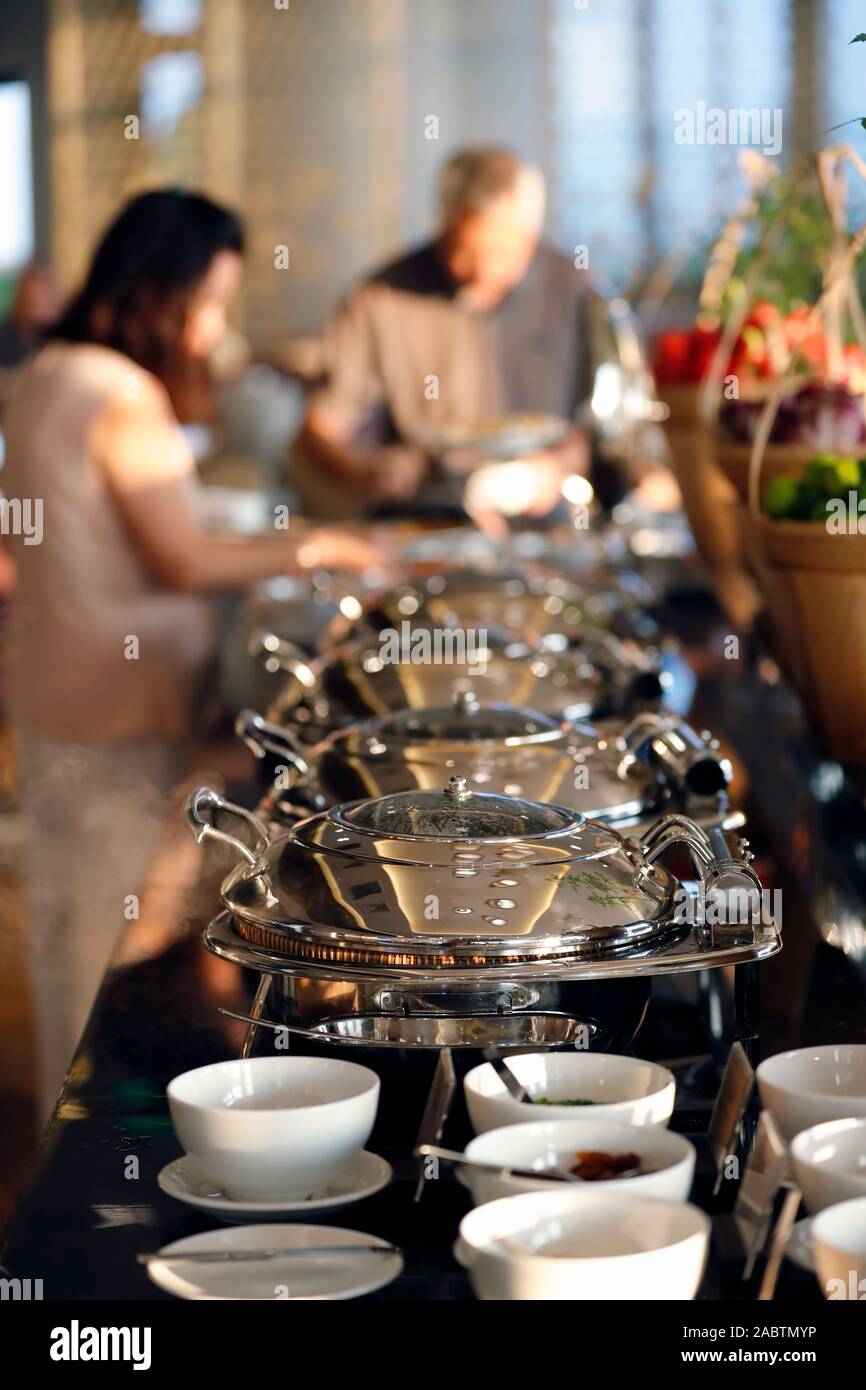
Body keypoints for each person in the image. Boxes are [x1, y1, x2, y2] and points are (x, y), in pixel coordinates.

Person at [1, 189, 383, 1121]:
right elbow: (180, 558)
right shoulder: (121, 391)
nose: (213, 330)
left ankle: (59, 1126)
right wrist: (322, 545)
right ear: (159, 289)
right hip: (116, 709)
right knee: (106, 947)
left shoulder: (47, 370)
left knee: (67, 936)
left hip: (58, 698)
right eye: (208, 303)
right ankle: (84, 1153)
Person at [296, 147, 599, 519]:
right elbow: (320, 430)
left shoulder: (573, 288)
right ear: (443, 224)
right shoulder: (383, 298)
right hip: (426, 513)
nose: (484, 271)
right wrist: (365, 472)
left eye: (504, 253)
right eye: (467, 253)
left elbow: (612, 428)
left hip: (548, 515)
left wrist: (555, 466)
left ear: (532, 235)